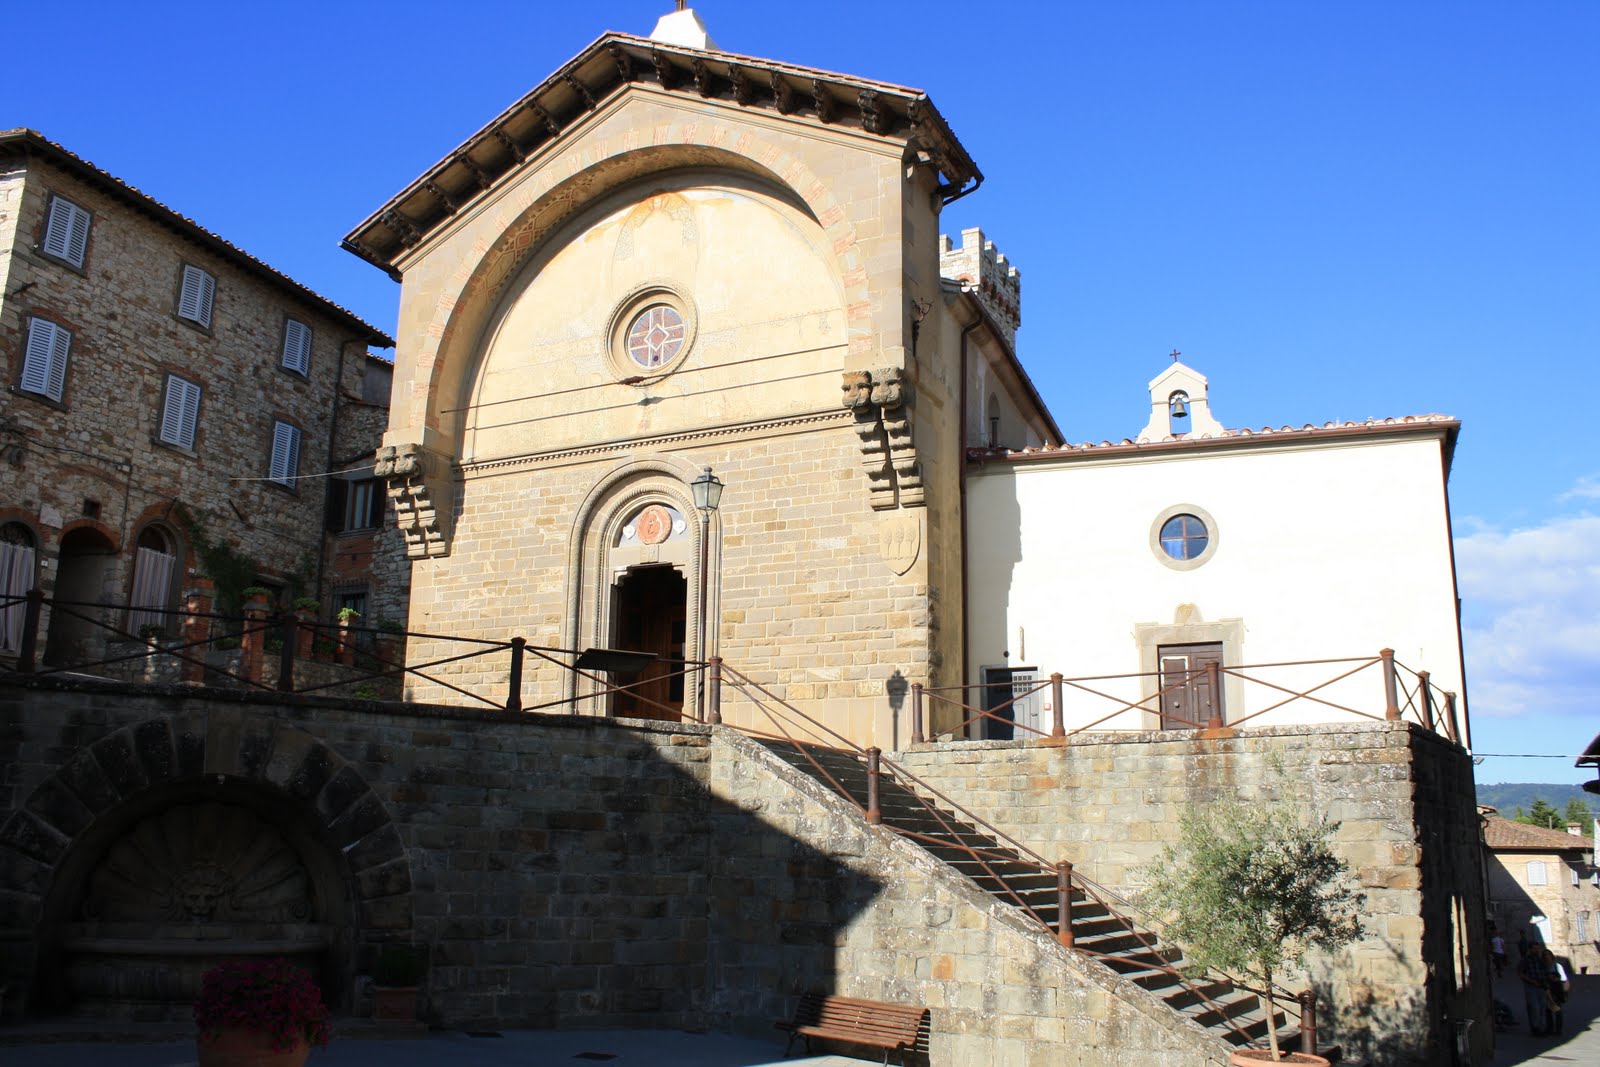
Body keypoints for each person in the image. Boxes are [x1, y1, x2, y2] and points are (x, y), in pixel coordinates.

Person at [1518, 948, 1550, 1035]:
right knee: (1534, 1007)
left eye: (1537, 948)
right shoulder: (1525, 960)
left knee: (1542, 1008)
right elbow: (1521, 973)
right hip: (1531, 986)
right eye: (1534, 949)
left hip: (1541, 986)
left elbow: (1545, 971)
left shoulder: (1540, 960)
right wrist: (1531, 981)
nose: (1537, 950)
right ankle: (1535, 1027)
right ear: (1530, 949)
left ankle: (1541, 1027)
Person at [1544, 948, 1569, 1035]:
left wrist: (1565, 992)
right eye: (1545, 956)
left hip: (1556, 989)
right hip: (1547, 989)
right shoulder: (1543, 967)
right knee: (1548, 1010)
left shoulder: (1557, 966)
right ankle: (1550, 1029)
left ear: (1551, 956)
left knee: (1557, 1009)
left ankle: (1558, 1030)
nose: (1547, 958)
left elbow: (1564, 980)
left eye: (1548, 955)